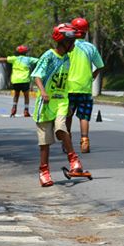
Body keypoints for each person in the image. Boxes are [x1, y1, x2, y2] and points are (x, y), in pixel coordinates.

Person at [32, 24, 89, 186]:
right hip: (45, 104)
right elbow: (37, 75)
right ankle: (44, 172)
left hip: (61, 102)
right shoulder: (49, 56)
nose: (73, 44)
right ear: (63, 42)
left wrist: (69, 102)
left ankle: (74, 159)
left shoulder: (67, 58)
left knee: (61, 128)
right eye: (71, 41)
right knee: (45, 142)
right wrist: (43, 91)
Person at [66, 17, 105, 153]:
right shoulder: (90, 48)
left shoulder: (68, 46)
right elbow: (100, 65)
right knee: (84, 117)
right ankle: (85, 141)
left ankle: (67, 141)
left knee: (68, 115)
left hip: (68, 88)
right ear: (86, 32)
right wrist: (92, 76)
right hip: (85, 88)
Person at [0, 45, 37, 117]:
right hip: (24, 79)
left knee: (16, 95)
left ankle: (14, 108)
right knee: (26, 96)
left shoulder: (14, 58)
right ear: (25, 52)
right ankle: (26, 110)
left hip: (15, 80)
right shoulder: (29, 59)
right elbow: (39, 60)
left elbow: (4, 59)